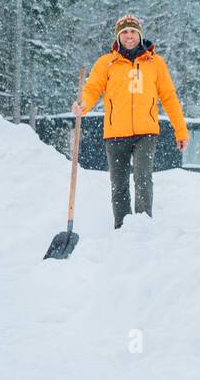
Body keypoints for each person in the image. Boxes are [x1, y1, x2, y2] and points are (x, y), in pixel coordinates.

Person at [72, 14, 189, 229]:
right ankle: (122, 228)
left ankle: (143, 228)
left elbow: (169, 97)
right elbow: (91, 90)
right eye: (124, 32)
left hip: (146, 132)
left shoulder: (155, 63)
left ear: (140, 34)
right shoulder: (106, 63)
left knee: (143, 179)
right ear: (118, 36)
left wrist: (181, 132)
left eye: (133, 31)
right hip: (116, 134)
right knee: (119, 185)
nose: (129, 36)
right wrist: (83, 106)